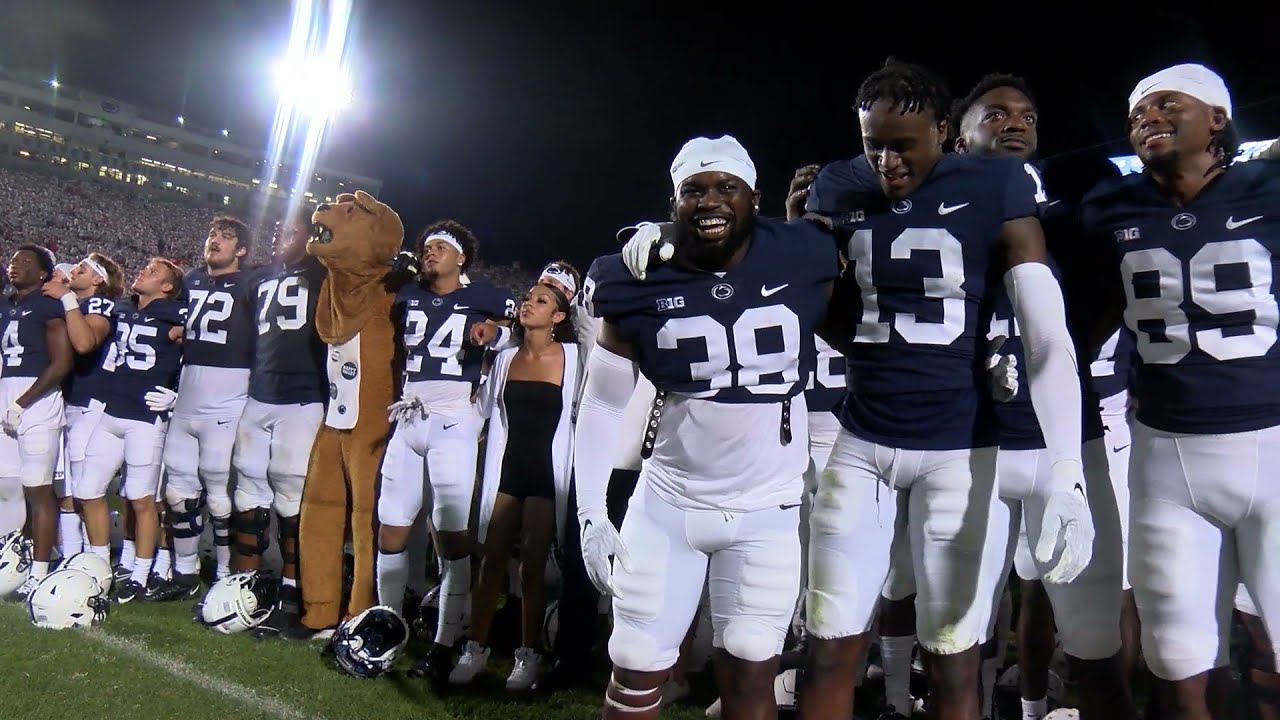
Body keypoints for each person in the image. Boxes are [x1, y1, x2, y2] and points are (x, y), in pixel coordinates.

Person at [795, 60, 1090, 720]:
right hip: (862, 440)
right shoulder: (839, 185)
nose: (888, 161)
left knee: (955, 656)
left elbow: (1047, 339)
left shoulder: (995, 184)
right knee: (829, 648)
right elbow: (821, 305)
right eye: (875, 143)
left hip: (961, 448)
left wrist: (1066, 470)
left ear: (945, 131)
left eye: (905, 145)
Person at [576, 134, 838, 719]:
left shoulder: (801, 251)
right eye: (693, 191)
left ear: (754, 197)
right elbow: (599, 405)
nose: (710, 200)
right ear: (672, 202)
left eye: (727, 188)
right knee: (636, 662)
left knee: (751, 670)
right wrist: (592, 510)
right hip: (669, 502)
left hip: (767, 508)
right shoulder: (633, 277)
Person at [1079, 62, 1280, 720]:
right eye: (1137, 111)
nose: (1147, 118)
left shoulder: (1268, 186)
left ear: (1217, 119)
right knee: (1176, 656)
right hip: (1166, 452)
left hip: (1273, 444)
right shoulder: (1111, 207)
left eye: (1168, 104)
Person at [952, 74, 1134, 720]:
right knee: (955, 645)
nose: (1016, 123)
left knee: (1094, 641)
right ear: (957, 130)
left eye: (1027, 115)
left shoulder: (1070, 218)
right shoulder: (925, 212)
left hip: (1068, 442)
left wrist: (1068, 347)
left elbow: (1112, 294)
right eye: (996, 113)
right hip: (969, 448)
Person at [377, 220, 515, 675]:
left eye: (439, 247)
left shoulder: (487, 296)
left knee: (451, 536)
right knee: (391, 528)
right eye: (426, 247)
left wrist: (495, 336)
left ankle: (444, 641)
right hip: (410, 414)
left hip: (454, 417)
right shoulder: (406, 293)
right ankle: (388, 627)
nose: (429, 252)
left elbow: (523, 328)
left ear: (461, 258)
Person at [451, 281, 579, 690]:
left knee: (532, 568)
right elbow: (484, 409)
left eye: (541, 301)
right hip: (508, 470)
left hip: (546, 472)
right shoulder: (506, 359)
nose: (529, 305)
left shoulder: (574, 358)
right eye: (527, 299)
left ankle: (527, 657)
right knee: (489, 562)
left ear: (558, 317)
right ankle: (475, 649)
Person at [231, 207, 328, 636]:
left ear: (312, 237)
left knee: (291, 500)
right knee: (247, 497)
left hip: (303, 397)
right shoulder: (257, 277)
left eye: (290, 230)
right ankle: (244, 587)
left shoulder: (325, 272)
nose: (278, 236)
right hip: (259, 396)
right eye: (277, 229)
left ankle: (292, 591)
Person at [150, 216, 257, 601]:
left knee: (217, 488)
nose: (215, 241)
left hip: (229, 390)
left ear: (241, 250)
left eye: (225, 237)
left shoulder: (252, 283)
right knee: (178, 488)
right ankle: (184, 572)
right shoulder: (191, 279)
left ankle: (227, 571)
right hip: (189, 390)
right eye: (212, 234)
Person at [77, 258, 186, 603]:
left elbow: (205, 352)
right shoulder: (122, 308)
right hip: (111, 412)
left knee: (141, 500)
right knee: (87, 490)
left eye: (154, 272)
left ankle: (140, 575)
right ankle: (98, 565)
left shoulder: (175, 315)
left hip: (145, 417)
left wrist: (180, 394)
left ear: (167, 287)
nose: (144, 271)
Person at [42, 254, 126, 566]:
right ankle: (70, 555)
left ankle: (95, 562)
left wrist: (66, 298)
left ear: (98, 281)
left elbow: (84, 342)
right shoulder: (74, 303)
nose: (76, 268)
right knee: (64, 486)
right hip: (69, 400)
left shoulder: (99, 304)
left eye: (85, 267)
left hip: (93, 402)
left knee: (86, 488)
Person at [0, 244, 74, 597]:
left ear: (44, 273)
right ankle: (13, 559)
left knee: (39, 491)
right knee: (8, 487)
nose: (16, 266)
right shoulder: (7, 305)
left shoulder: (48, 305)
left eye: (26, 262)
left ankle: (40, 572)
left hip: (38, 402)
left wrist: (23, 402)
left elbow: (61, 362)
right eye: (14, 260)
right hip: (7, 396)